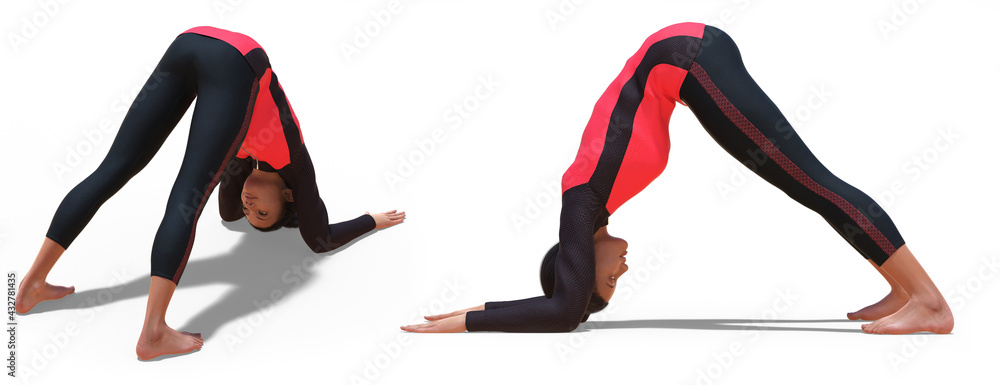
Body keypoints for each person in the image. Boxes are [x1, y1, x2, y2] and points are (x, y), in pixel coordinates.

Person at [401, 22, 953, 335]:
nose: (622, 269)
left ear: (573, 259)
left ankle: (928, 301)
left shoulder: (578, 201)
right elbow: (568, 297)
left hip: (687, 59)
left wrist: (463, 320)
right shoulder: (595, 202)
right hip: (688, 61)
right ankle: (902, 289)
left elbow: (563, 311)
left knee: (812, 184)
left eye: (609, 279)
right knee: (810, 183)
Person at [14, 26, 406, 360]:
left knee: (113, 169)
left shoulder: (242, 159)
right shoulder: (296, 164)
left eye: (254, 216)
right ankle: (153, 333)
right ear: (289, 196)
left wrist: (249, 209)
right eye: (263, 214)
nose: (249, 208)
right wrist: (370, 220)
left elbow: (229, 211)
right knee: (185, 197)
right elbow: (320, 241)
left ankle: (31, 285)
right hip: (237, 63)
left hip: (191, 41)